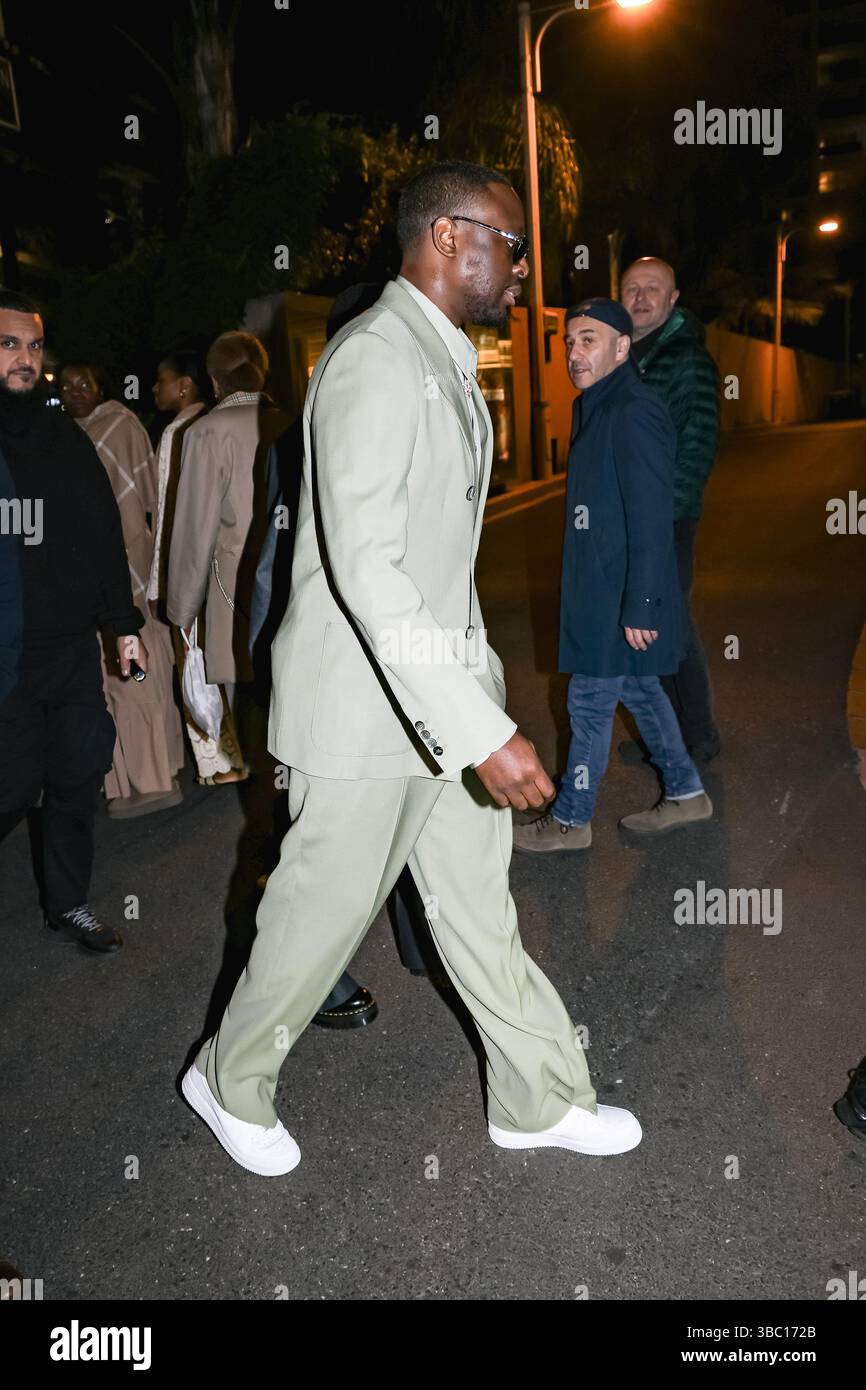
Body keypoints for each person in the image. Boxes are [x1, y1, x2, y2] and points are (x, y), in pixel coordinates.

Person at [181, 161, 642, 1177]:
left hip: (434, 705)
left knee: (477, 909)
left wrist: (476, 700)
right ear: (447, 237)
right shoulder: (376, 360)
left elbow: (441, 570)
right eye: (511, 246)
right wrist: (480, 728)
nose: (523, 269)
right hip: (360, 711)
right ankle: (229, 1077)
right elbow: (369, 571)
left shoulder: (441, 359)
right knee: (321, 910)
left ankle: (536, 1099)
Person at [513, 298, 713, 855]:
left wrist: (642, 603)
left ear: (622, 348)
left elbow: (652, 514)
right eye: (570, 342)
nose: (574, 353)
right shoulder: (599, 405)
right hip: (604, 587)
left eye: (589, 340)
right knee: (642, 691)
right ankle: (686, 791)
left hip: (618, 592)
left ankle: (571, 820)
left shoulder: (632, 409)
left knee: (588, 702)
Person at [0, 291, 146, 952]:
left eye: (33, 346)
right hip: (6, 654)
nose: (25, 359)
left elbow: (102, 532)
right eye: (9, 344)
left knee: (80, 766)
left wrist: (124, 624)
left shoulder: (64, 438)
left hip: (68, 649)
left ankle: (68, 902)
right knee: (10, 784)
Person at [60, 364, 184, 817]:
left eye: (84, 383)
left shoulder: (120, 426)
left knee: (137, 675)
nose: (75, 391)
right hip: (86, 575)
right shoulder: (64, 437)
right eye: (66, 385)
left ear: (101, 386)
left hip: (128, 568)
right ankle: (124, 780)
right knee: (109, 681)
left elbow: (146, 499)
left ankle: (156, 776)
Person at [619, 257, 721, 764]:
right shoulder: (625, 356)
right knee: (646, 630)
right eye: (631, 289)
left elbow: (696, 448)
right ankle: (667, 737)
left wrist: (660, 523)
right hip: (627, 519)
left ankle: (697, 738)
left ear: (673, 299)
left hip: (664, 521)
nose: (640, 298)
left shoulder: (687, 360)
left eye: (653, 289)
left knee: (666, 625)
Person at [146, 348, 244, 784]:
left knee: (195, 663)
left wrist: (160, 584)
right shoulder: (224, 422)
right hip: (227, 566)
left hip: (191, 569)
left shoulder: (179, 432)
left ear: (184, 385)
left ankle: (219, 760)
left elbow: (170, 516)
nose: (154, 388)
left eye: (162, 379)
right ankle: (241, 755)